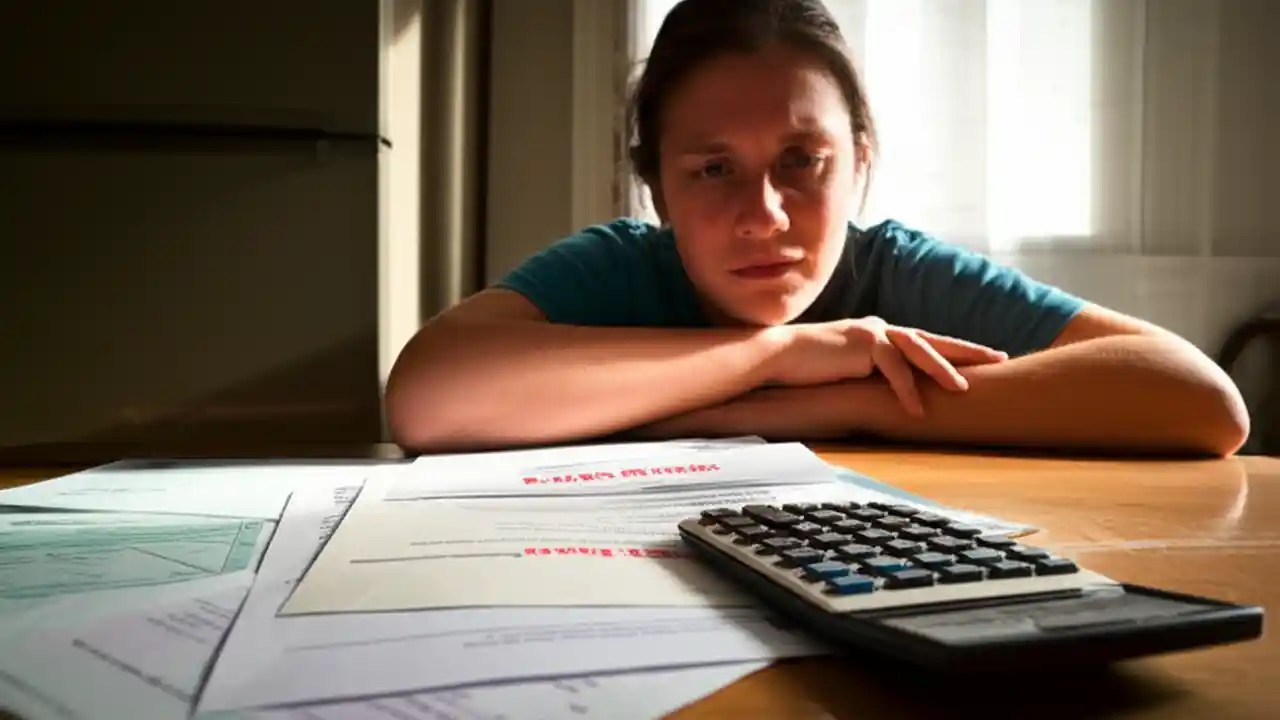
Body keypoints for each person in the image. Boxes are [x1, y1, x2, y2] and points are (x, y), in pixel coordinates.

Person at [385, 0, 1249, 457]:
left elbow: (1201, 401)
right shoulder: (621, 269)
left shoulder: (897, 273)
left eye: (803, 160)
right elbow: (426, 400)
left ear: (859, 161)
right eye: (712, 170)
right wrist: (774, 355)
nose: (764, 215)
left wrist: (841, 405)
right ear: (656, 188)